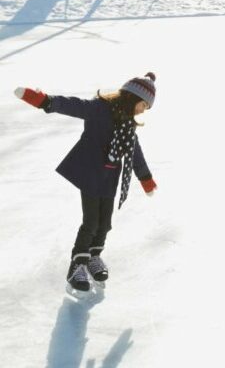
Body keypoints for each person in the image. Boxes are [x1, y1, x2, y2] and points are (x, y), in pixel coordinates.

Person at [13, 73, 159, 295]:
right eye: (143, 105)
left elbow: (134, 152)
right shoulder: (100, 109)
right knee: (90, 222)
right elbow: (74, 106)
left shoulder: (128, 124)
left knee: (105, 223)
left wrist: (145, 177)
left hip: (109, 178)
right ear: (132, 98)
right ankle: (77, 265)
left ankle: (94, 256)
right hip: (91, 174)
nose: (142, 111)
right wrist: (44, 100)